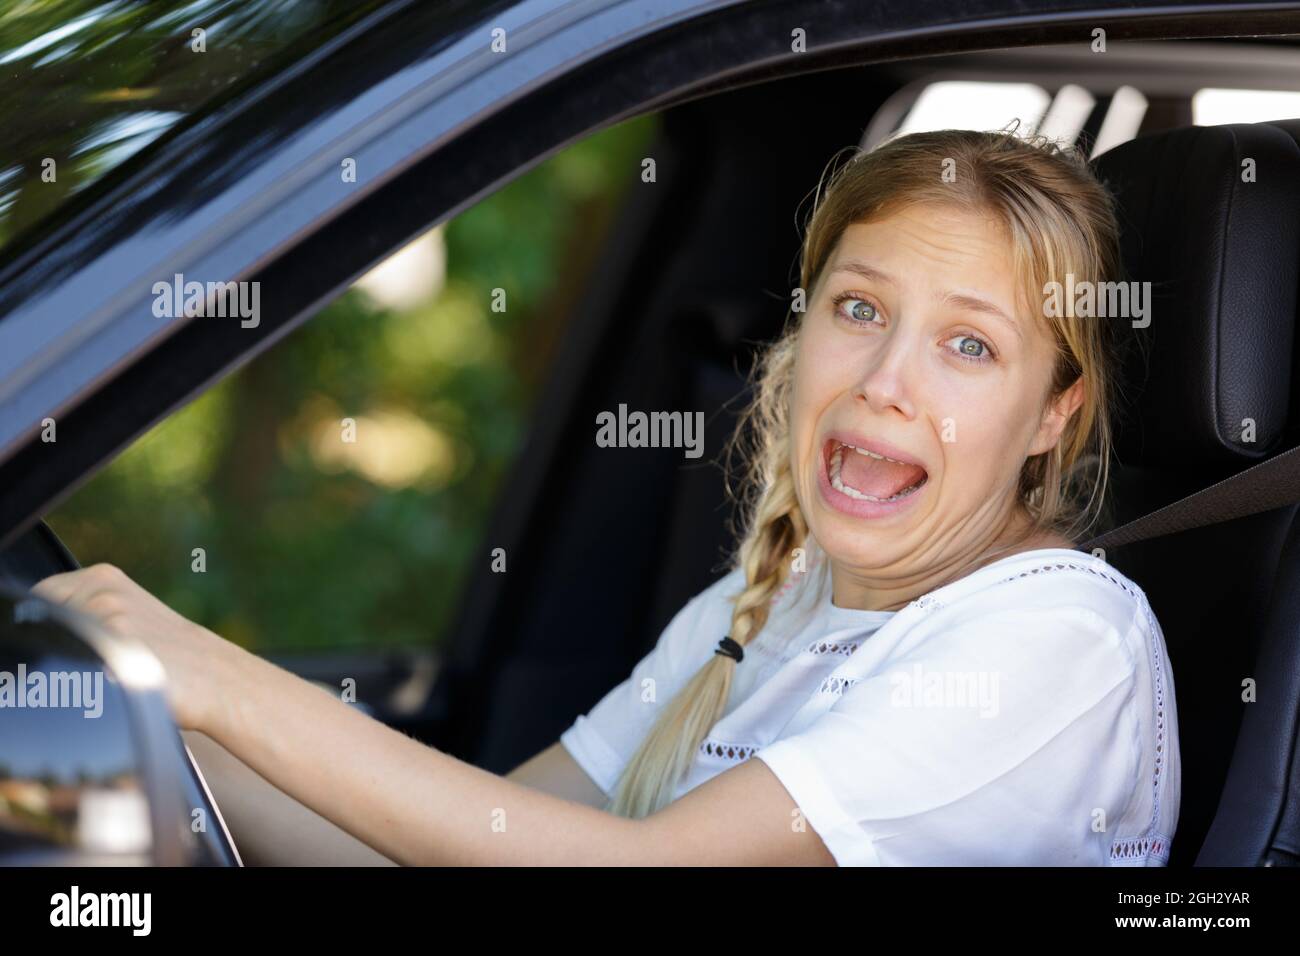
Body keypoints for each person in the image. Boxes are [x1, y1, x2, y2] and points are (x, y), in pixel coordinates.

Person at [33, 127, 1180, 866]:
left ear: (1053, 413)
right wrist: (127, 731)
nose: (885, 381)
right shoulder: (766, 601)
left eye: (969, 347)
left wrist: (214, 676)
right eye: (860, 308)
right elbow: (459, 837)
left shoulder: (1057, 637)